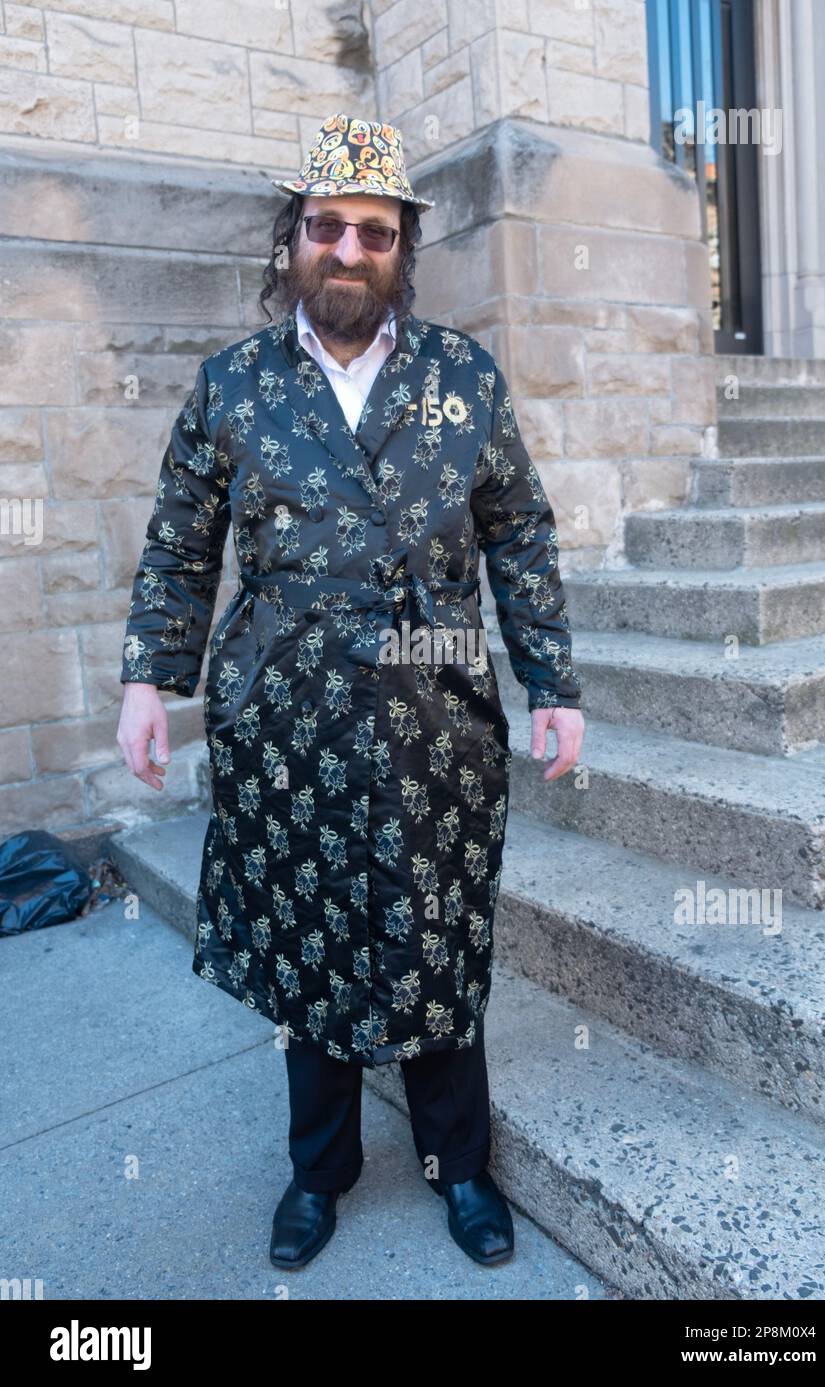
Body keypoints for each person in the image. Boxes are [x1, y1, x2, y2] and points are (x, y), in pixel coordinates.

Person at [116, 112, 585, 1270]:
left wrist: (551, 680)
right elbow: (181, 543)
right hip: (285, 718)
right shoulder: (231, 386)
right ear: (292, 242)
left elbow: (516, 530)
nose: (346, 248)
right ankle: (318, 1174)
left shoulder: (460, 377)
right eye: (324, 225)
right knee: (307, 959)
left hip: (433, 713)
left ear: (400, 249)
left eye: (372, 231)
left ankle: (456, 1169)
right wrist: (147, 678)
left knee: (437, 945)